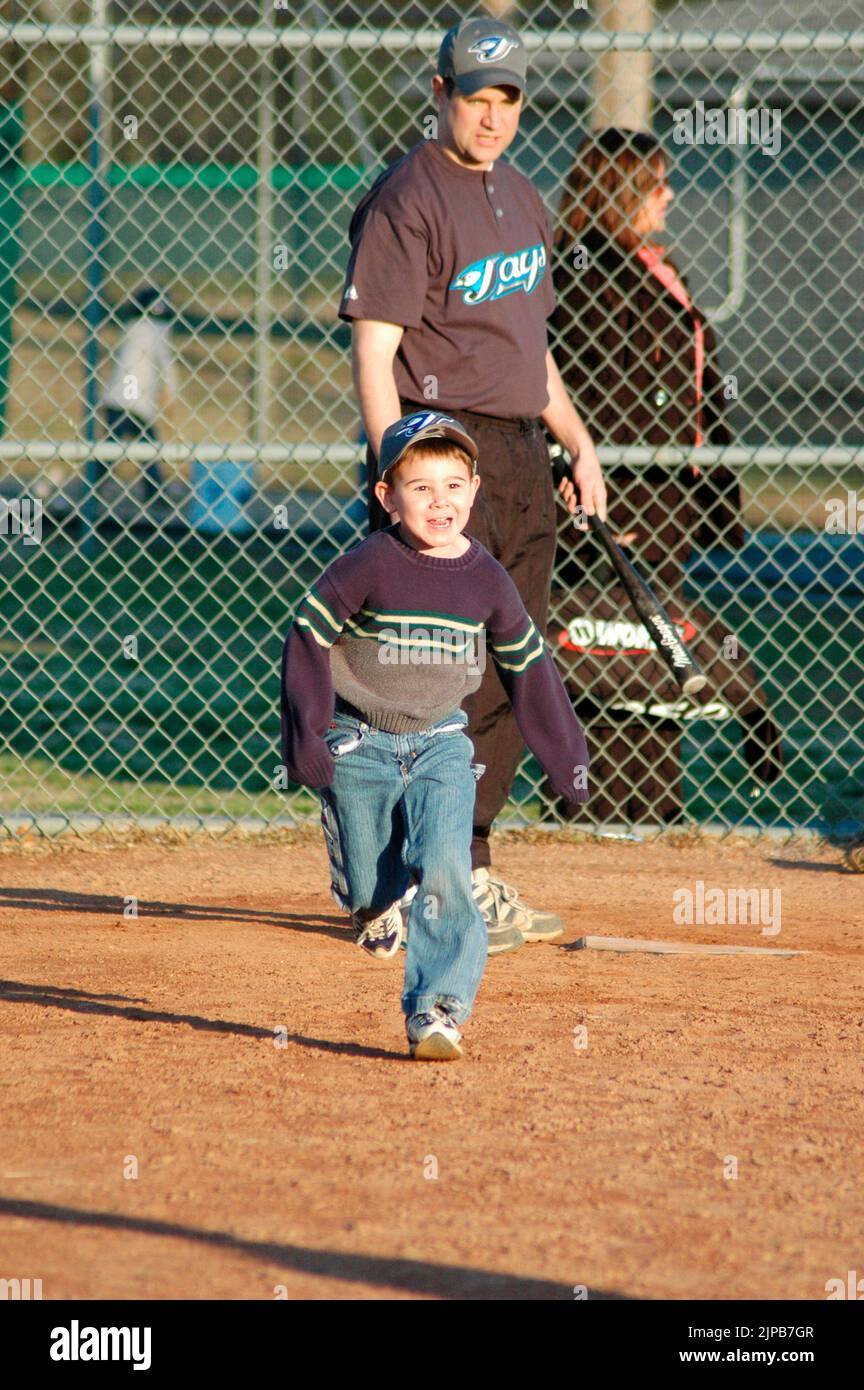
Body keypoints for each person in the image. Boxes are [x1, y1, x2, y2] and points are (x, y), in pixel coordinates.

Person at [337, 13, 607, 951]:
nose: (492, 115)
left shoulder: (524, 198)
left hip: (524, 458)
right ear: (440, 92)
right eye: (476, 95)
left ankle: (470, 870)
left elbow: (531, 353)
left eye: (508, 98)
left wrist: (576, 440)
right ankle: (400, 880)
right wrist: (397, 473)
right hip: (443, 458)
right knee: (420, 673)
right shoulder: (408, 197)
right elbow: (376, 354)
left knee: (503, 666)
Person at [279, 410, 590, 1060]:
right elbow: (307, 634)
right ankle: (373, 906)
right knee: (370, 885)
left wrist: (565, 755)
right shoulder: (368, 563)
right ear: (387, 497)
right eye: (421, 488)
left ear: (475, 490)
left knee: (448, 865)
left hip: (443, 744)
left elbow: (528, 664)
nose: (440, 501)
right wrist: (307, 732)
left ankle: (437, 1010)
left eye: (454, 485)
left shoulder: (486, 578)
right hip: (358, 741)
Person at [550, 128, 779, 822]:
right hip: (609, 492)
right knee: (603, 636)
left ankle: (651, 805)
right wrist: (571, 467)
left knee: (655, 643)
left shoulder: (651, 263)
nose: (668, 195)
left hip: (665, 496)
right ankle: (594, 808)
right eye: (655, 185)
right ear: (620, 194)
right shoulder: (586, 273)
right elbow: (573, 384)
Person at [99, 284, 177, 505]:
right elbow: (167, 364)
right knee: (146, 448)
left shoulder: (131, 327)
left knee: (113, 448)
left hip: (117, 398)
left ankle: (92, 488)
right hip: (135, 402)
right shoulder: (154, 330)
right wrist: (171, 391)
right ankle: (155, 494)